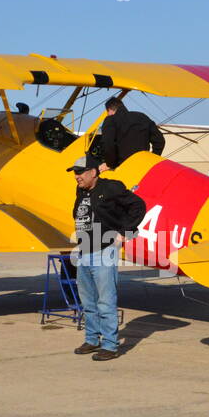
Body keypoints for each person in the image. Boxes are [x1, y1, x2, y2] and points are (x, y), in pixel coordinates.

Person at [67, 154, 146, 361]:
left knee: (105, 301)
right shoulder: (81, 190)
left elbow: (138, 205)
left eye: (80, 172)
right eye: (74, 173)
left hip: (103, 251)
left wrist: (125, 231)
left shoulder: (111, 188)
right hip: (84, 252)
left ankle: (110, 345)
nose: (76, 176)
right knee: (88, 301)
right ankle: (92, 340)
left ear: (93, 172)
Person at [90, 97, 165, 171]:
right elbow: (160, 141)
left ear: (109, 110)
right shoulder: (142, 117)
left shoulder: (110, 120)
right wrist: (150, 161)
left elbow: (108, 144)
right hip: (144, 168)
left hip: (124, 168)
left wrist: (111, 164)